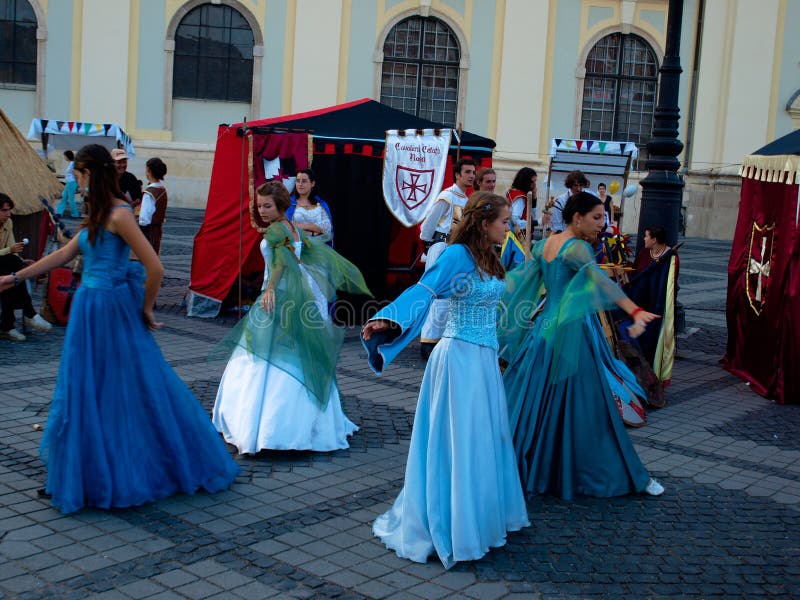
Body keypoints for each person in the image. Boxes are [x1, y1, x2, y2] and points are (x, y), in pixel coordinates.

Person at [0, 145, 239, 514]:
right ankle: (78, 473)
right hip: (88, 311)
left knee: (121, 389)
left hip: (109, 311)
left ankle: (127, 469)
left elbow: (155, 267)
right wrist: (14, 277)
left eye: (77, 175)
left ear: (89, 172)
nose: (74, 182)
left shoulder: (119, 213)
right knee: (83, 390)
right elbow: (64, 255)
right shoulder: (96, 213)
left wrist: (144, 308)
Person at [362, 192, 529, 570]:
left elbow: (518, 278)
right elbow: (425, 289)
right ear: (485, 223)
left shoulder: (492, 253)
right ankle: (452, 524)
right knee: (459, 441)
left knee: (484, 439)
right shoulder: (457, 255)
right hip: (458, 361)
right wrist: (390, 319)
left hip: (483, 360)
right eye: (505, 221)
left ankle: (479, 518)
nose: (510, 226)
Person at [498, 191, 665, 500]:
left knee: (535, 402)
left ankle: (526, 465)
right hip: (571, 335)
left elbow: (519, 282)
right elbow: (600, 282)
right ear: (577, 218)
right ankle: (607, 471)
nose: (602, 225)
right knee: (590, 407)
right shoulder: (577, 248)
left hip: (543, 333)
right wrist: (634, 310)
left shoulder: (544, 244)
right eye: (597, 217)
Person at [212, 181, 371, 453]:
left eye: (267, 205)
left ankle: (266, 428)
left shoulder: (276, 230)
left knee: (263, 357)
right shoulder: (293, 227)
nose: (262, 210)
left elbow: (281, 261)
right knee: (296, 356)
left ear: (281, 206)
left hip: (276, 299)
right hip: (295, 300)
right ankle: (305, 424)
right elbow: (306, 257)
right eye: (259, 205)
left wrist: (270, 289)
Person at [417, 158, 476, 358]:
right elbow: (427, 226)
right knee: (436, 294)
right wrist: (431, 246)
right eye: (467, 172)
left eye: (473, 172)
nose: (471, 176)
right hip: (442, 247)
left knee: (451, 294)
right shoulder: (447, 197)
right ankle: (428, 341)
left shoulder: (467, 201)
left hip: (457, 251)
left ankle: (441, 339)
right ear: (457, 174)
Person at [0, 193, 52, 341]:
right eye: (4, 210)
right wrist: (10, 252)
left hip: (2, 265)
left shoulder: (7, 223)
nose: (8, 214)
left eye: (9, 210)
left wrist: (21, 261)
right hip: (3, 261)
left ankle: (7, 326)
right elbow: (10, 250)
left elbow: (11, 247)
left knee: (11, 274)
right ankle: (29, 313)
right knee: (12, 267)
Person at [288, 168, 334, 244]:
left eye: (304, 181)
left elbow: (327, 228)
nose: (300, 184)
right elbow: (287, 227)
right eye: (298, 181)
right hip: (297, 245)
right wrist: (313, 232)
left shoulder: (321, 204)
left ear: (312, 183)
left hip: (320, 247)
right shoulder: (289, 204)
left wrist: (301, 226)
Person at [139, 157, 168, 255]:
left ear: (148, 170)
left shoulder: (149, 192)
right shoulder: (162, 189)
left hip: (148, 231)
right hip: (157, 230)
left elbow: (144, 218)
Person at [506, 167, 538, 236]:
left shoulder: (514, 192)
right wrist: (538, 222)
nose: (534, 185)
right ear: (525, 181)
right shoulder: (520, 197)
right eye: (532, 182)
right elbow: (515, 221)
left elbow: (531, 215)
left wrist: (534, 198)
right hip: (519, 236)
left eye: (535, 181)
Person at [56, 150, 79, 218]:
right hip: (69, 182)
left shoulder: (73, 163)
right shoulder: (70, 163)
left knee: (70, 199)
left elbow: (76, 174)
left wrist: (77, 184)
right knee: (64, 197)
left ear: (68, 156)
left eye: (65, 156)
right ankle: (59, 212)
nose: (64, 157)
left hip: (72, 182)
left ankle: (75, 214)